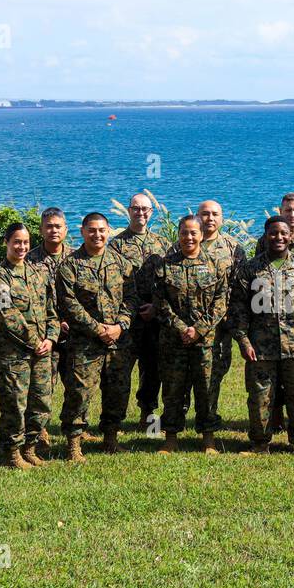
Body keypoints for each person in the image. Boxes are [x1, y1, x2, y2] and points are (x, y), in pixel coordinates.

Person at [230, 216, 294, 454]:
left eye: (283, 233)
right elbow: (238, 308)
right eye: (273, 233)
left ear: (291, 236)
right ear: (265, 235)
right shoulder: (250, 269)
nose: (279, 237)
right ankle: (260, 443)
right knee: (261, 396)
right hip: (261, 347)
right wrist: (243, 340)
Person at [57, 213, 137, 458]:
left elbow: (131, 298)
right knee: (79, 393)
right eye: (91, 230)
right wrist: (98, 329)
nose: (97, 235)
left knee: (117, 391)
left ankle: (110, 438)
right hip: (85, 343)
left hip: (117, 341)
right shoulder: (70, 265)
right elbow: (68, 303)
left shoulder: (120, 263)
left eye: (102, 230)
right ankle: (74, 444)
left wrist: (120, 326)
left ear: (108, 231)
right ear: (82, 232)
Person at [154, 215, 230, 453]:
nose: (189, 237)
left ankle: (208, 438)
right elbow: (160, 302)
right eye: (184, 232)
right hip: (173, 341)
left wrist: (198, 329)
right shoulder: (165, 266)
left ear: (201, 235)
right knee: (173, 390)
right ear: (178, 234)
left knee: (207, 390)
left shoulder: (215, 265)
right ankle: (171, 438)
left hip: (205, 341)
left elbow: (221, 302)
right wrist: (180, 328)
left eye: (193, 233)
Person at [0, 222, 59, 469]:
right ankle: (12, 453)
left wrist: (50, 337)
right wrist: (35, 341)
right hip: (12, 355)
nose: (22, 246)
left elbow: (52, 311)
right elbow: (8, 316)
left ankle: (30, 448)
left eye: (26, 242)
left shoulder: (38, 273)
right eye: (16, 241)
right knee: (14, 406)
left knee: (41, 403)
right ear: (6, 242)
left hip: (41, 353)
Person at [109, 193, 168, 427]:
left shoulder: (162, 243)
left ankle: (149, 419)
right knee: (120, 371)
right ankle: (115, 421)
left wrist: (156, 307)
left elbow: (168, 282)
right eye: (136, 208)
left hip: (154, 317)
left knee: (153, 372)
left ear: (151, 212)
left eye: (145, 209)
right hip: (127, 318)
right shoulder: (115, 244)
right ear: (128, 210)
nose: (140, 213)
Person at [195, 199, 246, 431]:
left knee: (215, 370)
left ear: (222, 218)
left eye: (215, 214)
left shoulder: (233, 248)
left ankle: (209, 414)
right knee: (184, 371)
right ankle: (180, 415)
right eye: (205, 214)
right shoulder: (184, 243)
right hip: (189, 322)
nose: (210, 218)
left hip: (220, 323)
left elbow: (240, 287)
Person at [28, 206, 73, 458]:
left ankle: (75, 428)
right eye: (48, 226)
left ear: (65, 229)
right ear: (41, 229)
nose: (53, 230)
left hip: (75, 332)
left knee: (76, 384)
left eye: (58, 226)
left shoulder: (77, 256)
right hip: (45, 335)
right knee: (44, 386)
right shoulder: (31, 259)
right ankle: (40, 432)